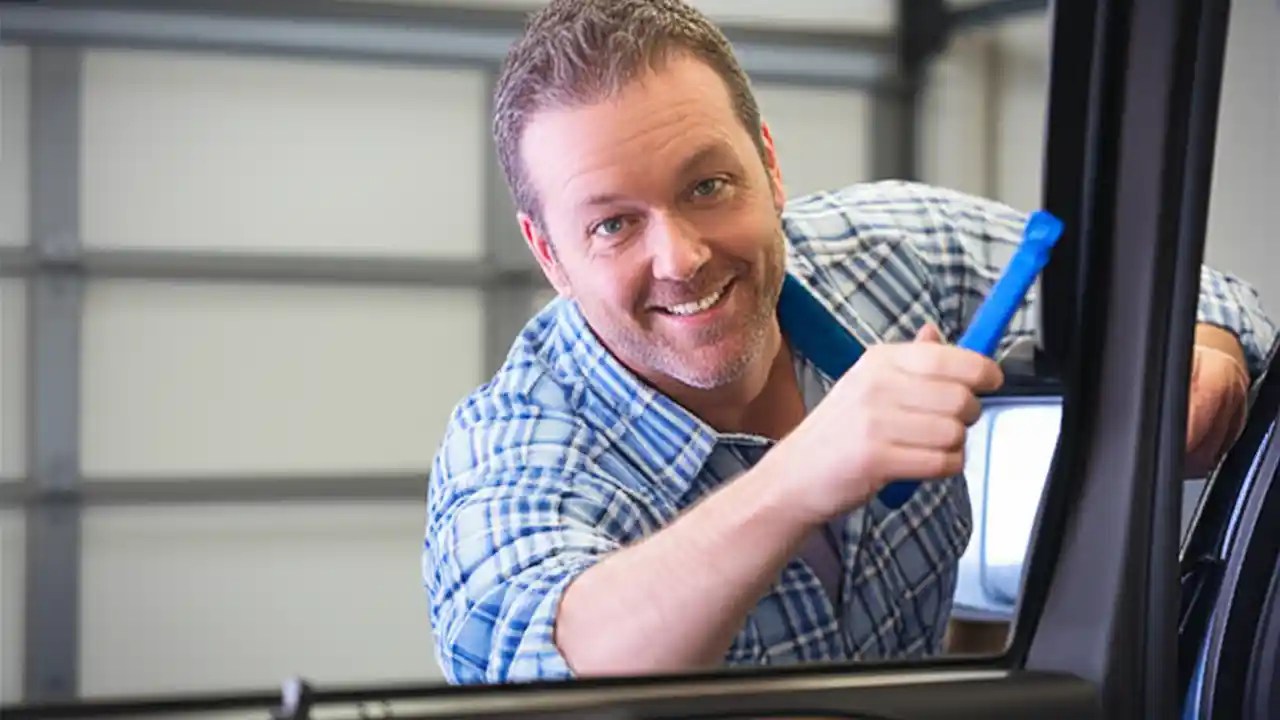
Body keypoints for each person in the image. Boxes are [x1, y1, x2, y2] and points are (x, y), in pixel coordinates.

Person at [423, 0, 1274, 685]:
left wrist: (1201, 363)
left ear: (770, 164)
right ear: (550, 255)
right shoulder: (513, 445)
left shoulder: (893, 252)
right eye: (613, 224)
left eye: (709, 184)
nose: (681, 258)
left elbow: (1205, 297)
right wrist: (802, 475)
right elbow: (542, 670)